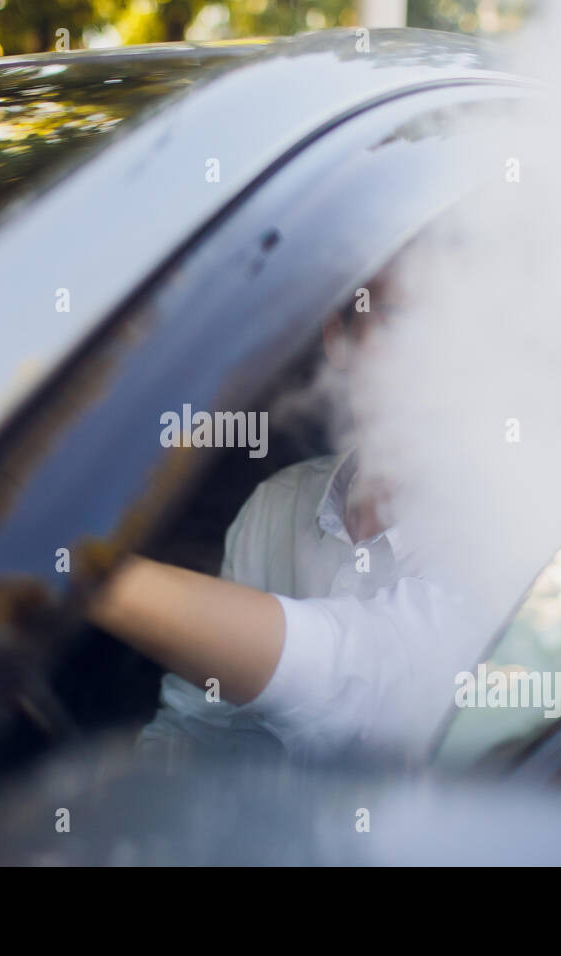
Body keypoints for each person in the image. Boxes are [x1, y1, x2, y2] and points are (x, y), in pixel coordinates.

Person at [103, 277, 478, 764]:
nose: (423, 365)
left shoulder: (497, 541)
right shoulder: (275, 506)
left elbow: (351, 675)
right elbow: (198, 722)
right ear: (337, 339)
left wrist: (94, 580)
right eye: (397, 321)